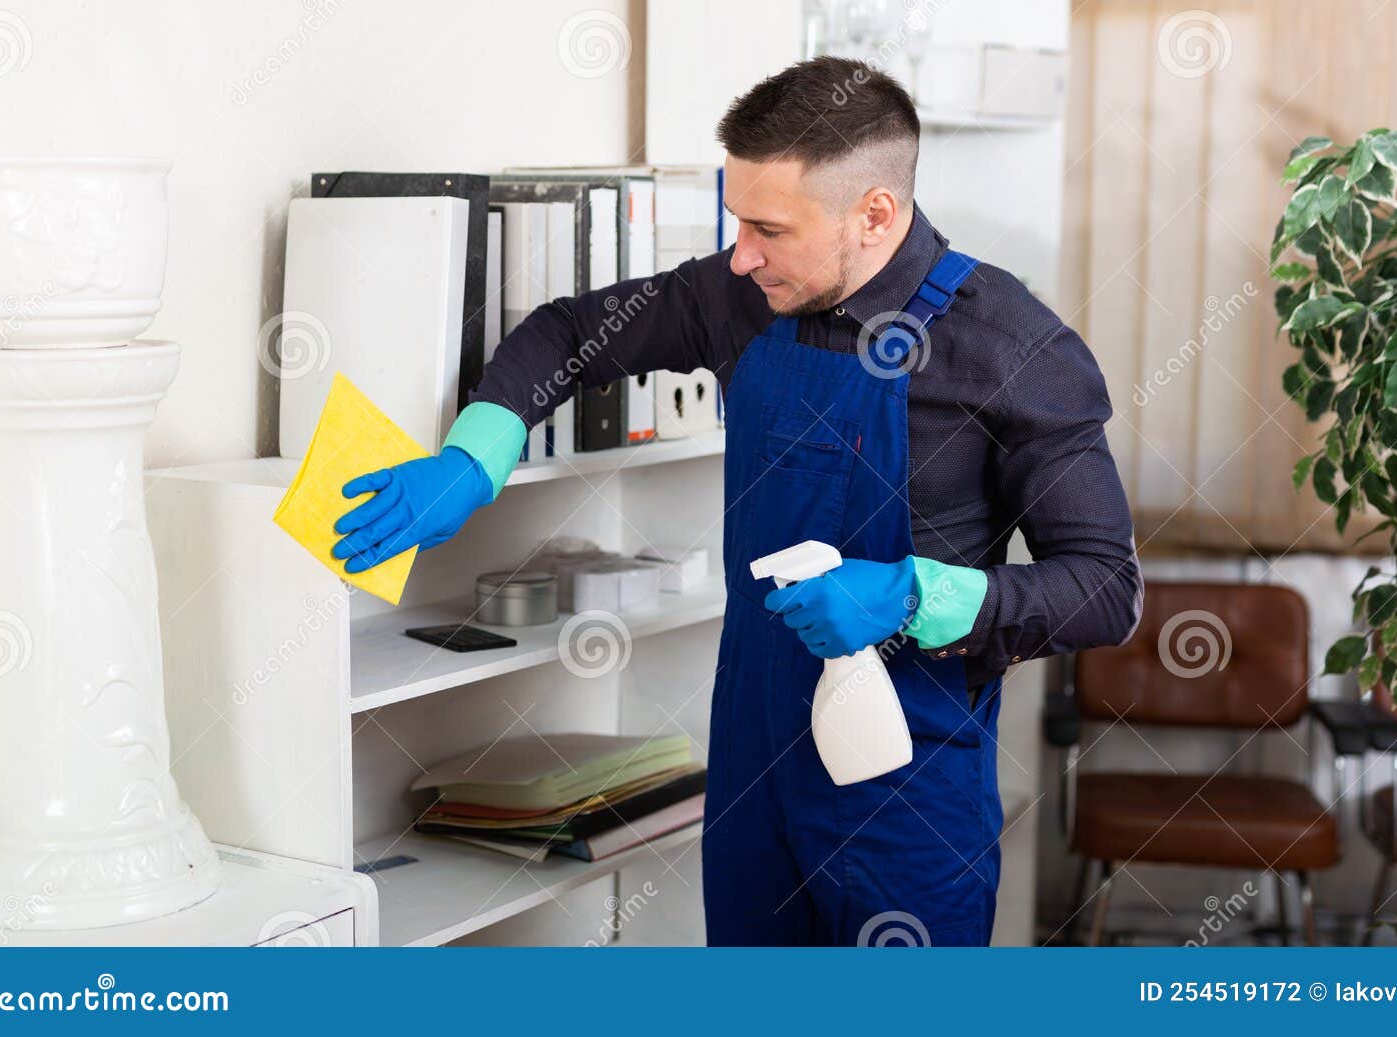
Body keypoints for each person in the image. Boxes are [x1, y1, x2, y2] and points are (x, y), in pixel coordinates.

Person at [332, 56, 1142, 946]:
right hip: (755, 771)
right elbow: (568, 332)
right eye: (737, 221)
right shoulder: (745, 296)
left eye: (769, 227)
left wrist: (917, 595)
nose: (743, 253)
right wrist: (474, 457)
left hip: (907, 797)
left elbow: (1106, 588)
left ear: (874, 214)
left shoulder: (1015, 348)